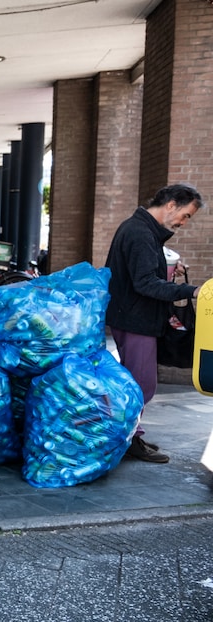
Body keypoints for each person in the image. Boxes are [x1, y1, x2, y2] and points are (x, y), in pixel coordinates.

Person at [105, 184, 204, 464]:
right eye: (185, 215)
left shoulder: (141, 229)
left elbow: (143, 275)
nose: (183, 223)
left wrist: (170, 272)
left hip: (133, 317)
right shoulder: (140, 233)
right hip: (136, 320)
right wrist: (191, 290)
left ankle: (131, 435)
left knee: (138, 382)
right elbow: (145, 283)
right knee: (141, 384)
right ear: (171, 204)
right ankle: (127, 440)